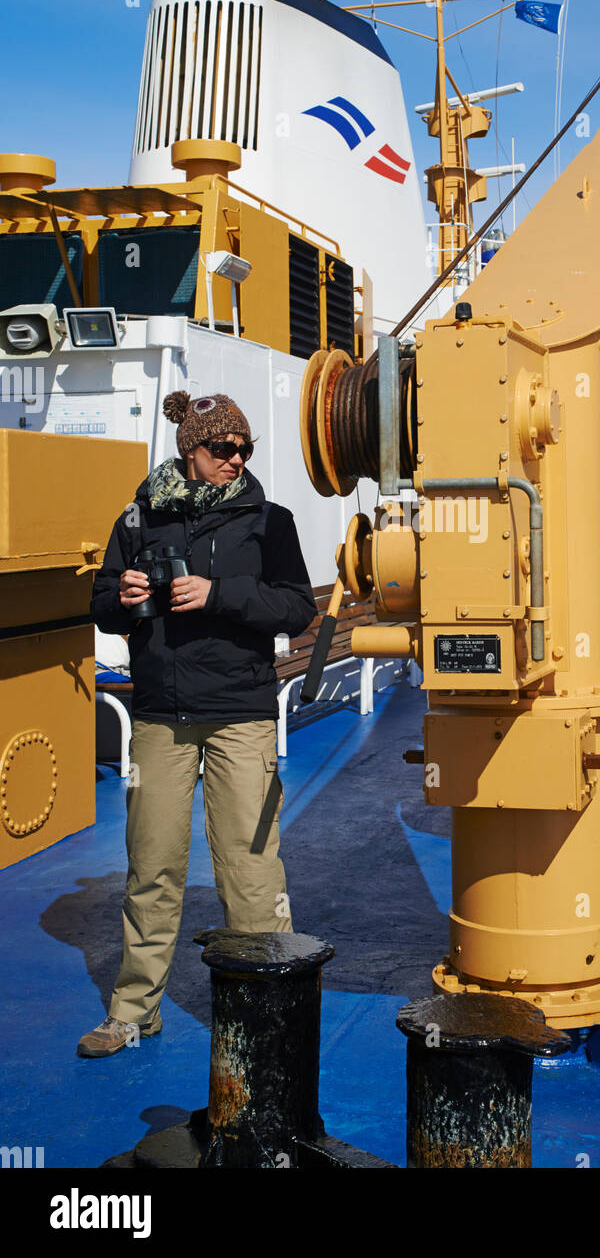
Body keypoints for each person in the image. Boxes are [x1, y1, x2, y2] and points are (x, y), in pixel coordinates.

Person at [77, 391, 317, 1058]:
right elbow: (101, 604)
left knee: (250, 868)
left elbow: (297, 608)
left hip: (240, 714)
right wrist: (122, 597)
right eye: (222, 448)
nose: (235, 458)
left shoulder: (270, 521)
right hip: (160, 715)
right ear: (190, 452)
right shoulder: (138, 516)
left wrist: (222, 595)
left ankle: (265, 1013)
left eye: (243, 448)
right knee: (151, 867)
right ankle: (133, 1012)